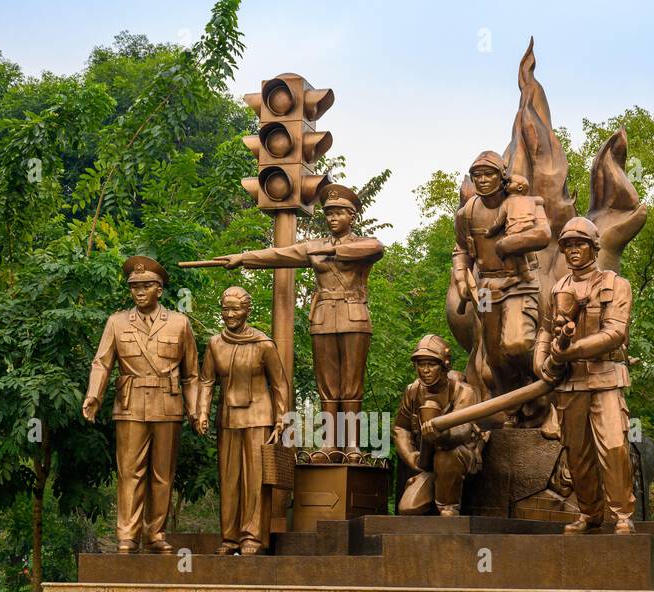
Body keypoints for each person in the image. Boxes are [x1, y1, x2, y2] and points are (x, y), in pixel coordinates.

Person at [208, 183, 383, 455]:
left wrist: (333, 252)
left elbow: (376, 247)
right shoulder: (315, 246)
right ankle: (329, 443)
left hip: (354, 317)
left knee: (351, 384)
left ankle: (351, 444)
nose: (333, 218)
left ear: (352, 216)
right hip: (323, 318)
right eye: (329, 214)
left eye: (339, 213)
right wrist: (243, 258)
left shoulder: (361, 244)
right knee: (327, 385)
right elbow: (279, 254)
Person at [83, 256, 198, 553]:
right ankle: (127, 534)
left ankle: (155, 533)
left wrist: (197, 411)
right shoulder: (117, 322)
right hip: (130, 403)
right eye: (134, 287)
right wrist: (94, 395)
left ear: (159, 289)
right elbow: (102, 363)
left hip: (168, 404)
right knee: (130, 472)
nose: (139, 291)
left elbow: (192, 375)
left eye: (146, 286)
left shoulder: (179, 323)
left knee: (162, 474)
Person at [535, 218, 636, 534]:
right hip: (570, 383)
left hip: (605, 378)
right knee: (577, 454)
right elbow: (545, 329)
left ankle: (622, 515)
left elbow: (615, 332)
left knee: (615, 445)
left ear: (594, 246)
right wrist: (541, 359)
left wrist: (572, 350)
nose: (572, 250)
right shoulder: (558, 288)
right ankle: (590, 513)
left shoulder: (615, 284)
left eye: (579, 244)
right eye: (567, 245)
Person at [452, 151, 552, 421]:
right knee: (494, 358)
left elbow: (544, 233)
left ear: (502, 176)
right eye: (477, 176)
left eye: (489, 174)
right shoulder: (467, 213)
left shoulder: (524, 203)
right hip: (485, 289)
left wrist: (511, 244)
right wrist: (462, 277)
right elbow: (460, 250)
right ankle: (515, 407)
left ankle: (541, 381)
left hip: (519, 283)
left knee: (517, 344)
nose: (483, 180)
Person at [195, 287, 288, 555]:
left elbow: (280, 384)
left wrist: (280, 420)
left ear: (247, 310)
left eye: (235, 309)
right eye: (225, 309)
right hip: (228, 418)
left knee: (255, 479)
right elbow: (207, 381)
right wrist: (202, 412)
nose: (229, 314)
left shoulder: (263, 344)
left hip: (259, 417)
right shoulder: (214, 344)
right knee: (229, 479)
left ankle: (252, 537)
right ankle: (229, 538)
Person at [393, 335, 486, 517]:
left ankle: (449, 508)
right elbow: (400, 428)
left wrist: (441, 436)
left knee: (446, 454)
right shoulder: (413, 391)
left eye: (431, 364)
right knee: (408, 508)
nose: (425, 370)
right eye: (420, 364)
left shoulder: (463, 391)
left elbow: (464, 429)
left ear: (445, 365)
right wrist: (411, 456)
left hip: (461, 457)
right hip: (428, 461)